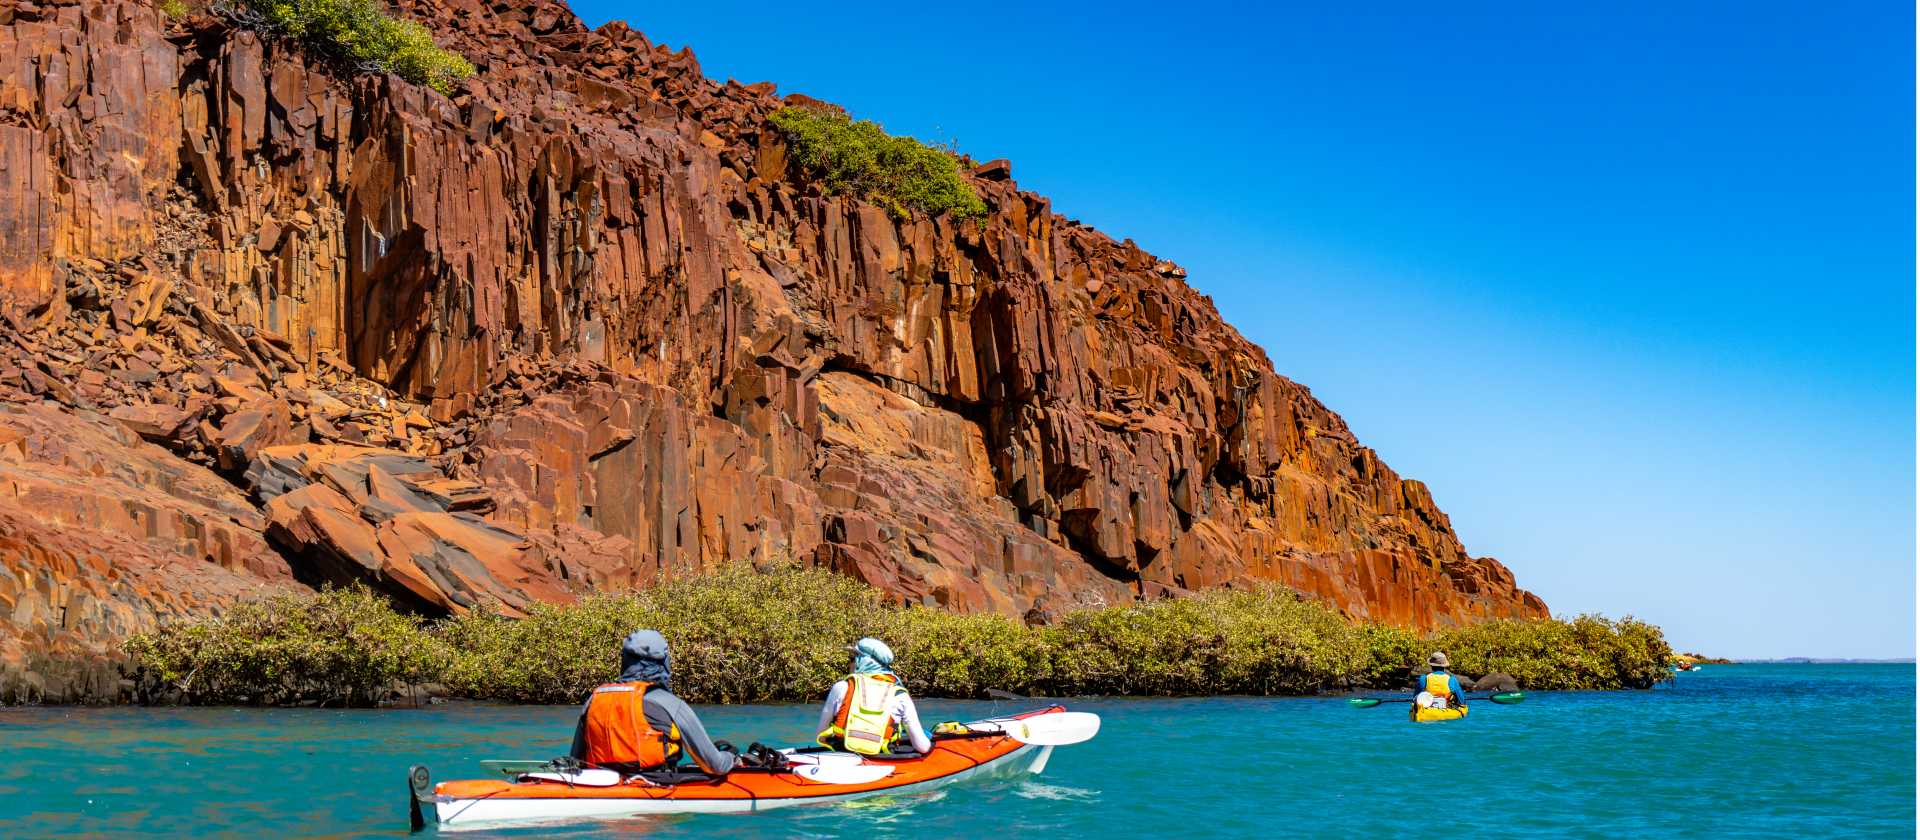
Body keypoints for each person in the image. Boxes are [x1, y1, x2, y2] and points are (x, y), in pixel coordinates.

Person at [569, 629, 740, 776]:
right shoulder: (668, 703)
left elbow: (575, 762)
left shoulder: (595, 699)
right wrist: (732, 758)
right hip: (655, 789)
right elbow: (715, 766)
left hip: (601, 786)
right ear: (662, 662)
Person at [815, 637, 932, 756]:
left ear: (862, 661)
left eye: (852, 659)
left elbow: (820, 737)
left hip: (842, 755)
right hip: (882, 759)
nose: (849, 663)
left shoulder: (841, 687)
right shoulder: (900, 695)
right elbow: (922, 747)